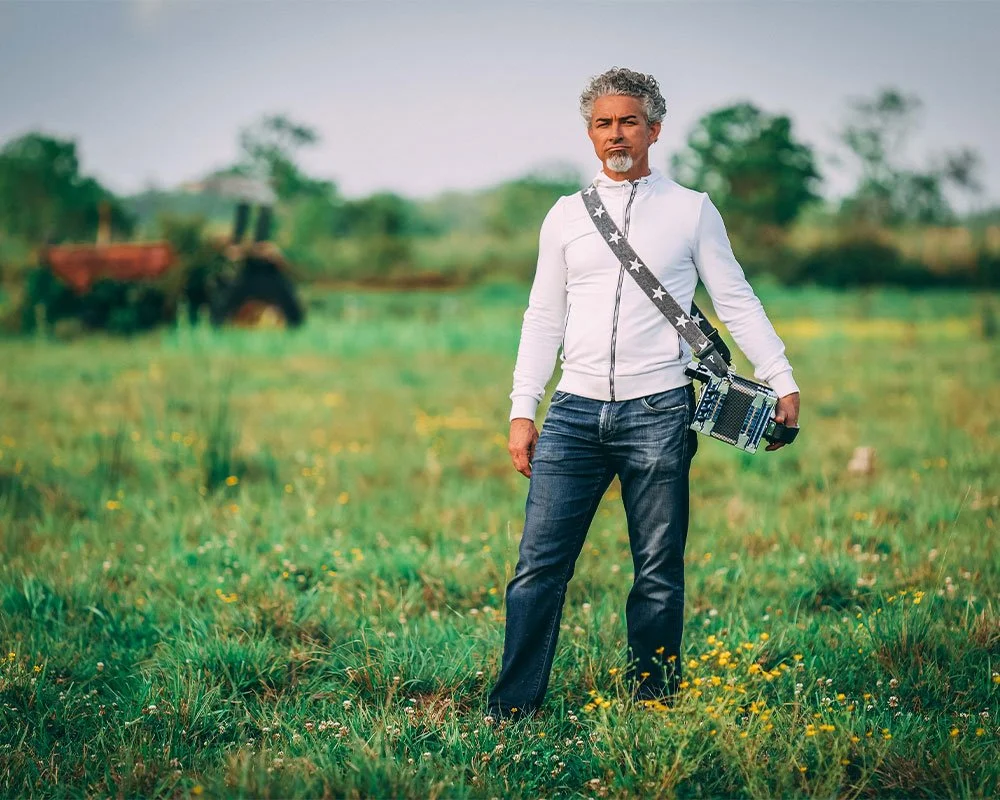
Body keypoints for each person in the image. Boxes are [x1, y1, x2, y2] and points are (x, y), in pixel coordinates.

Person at [485, 67, 801, 720]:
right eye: (603, 123)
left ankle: (653, 703)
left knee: (657, 571)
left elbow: (735, 299)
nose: (616, 133)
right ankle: (513, 708)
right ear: (590, 134)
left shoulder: (691, 210)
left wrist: (781, 375)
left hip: (659, 411)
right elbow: (542, 316)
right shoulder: (566, 216)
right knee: (536, 570)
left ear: (654, 129)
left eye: (629, 121)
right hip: (572, 414)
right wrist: (523, 408)